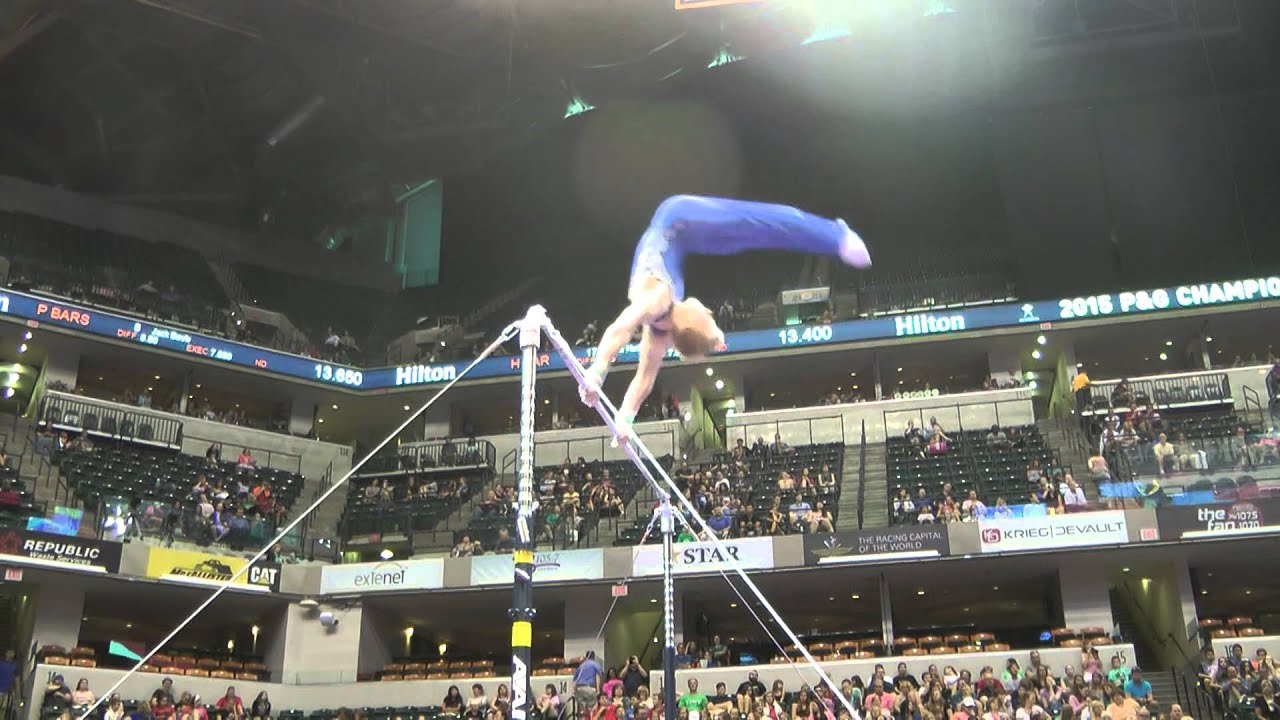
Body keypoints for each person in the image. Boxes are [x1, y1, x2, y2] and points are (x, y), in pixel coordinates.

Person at [579, 195, 871, 442]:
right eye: (710, 315)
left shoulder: (656, 299)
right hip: (685, 239)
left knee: (752, 222)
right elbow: (644, 379)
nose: (707, 308)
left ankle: (837, 237)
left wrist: (597, 372)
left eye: (706, 316)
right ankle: (832, 235)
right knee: (749, 235)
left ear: (688, 324)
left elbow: (619, 328)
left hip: (676, 218)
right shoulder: (659, 334)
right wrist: (625, 421)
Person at [573, 651, 605, 718]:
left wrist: (575, 691)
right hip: (589, 689)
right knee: (593, 708)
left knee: (583, 710)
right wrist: (598, 690)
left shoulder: (581, 666)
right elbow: (597, 676)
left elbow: (574, 679)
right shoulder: (596, 665)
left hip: (578, 689)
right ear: (594, 657)